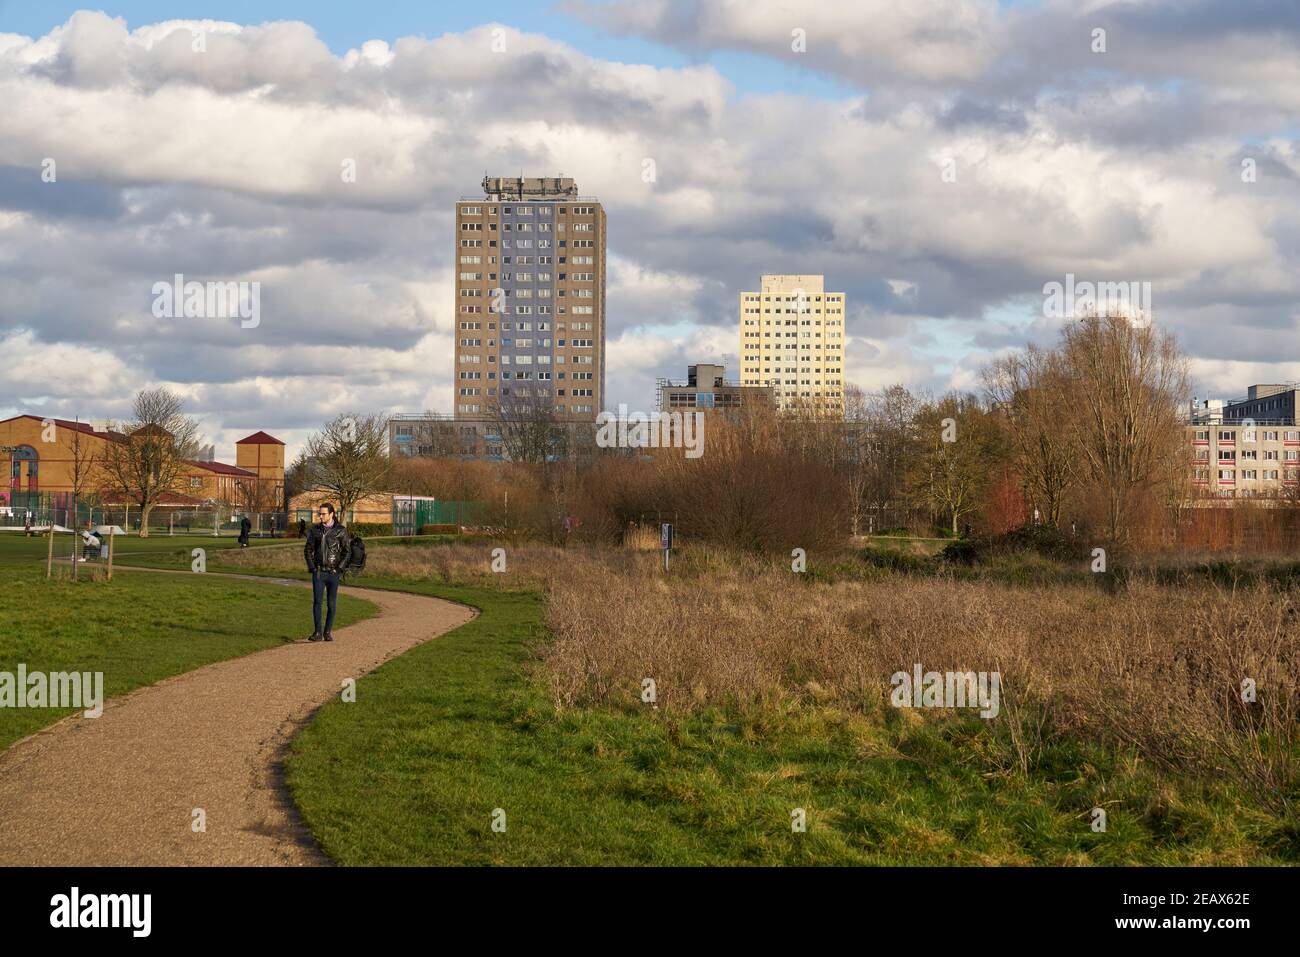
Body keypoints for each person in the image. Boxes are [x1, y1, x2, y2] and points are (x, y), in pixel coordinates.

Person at [303, 503, 350, 642]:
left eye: (323, 514)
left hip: (333, 573)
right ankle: (317, 632)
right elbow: (307, 550)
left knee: (331, 603)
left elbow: (347, 552)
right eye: (320, 513)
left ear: (331, 514)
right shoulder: (314, 530)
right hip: (318, 572)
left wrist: (339, 568)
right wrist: (311, 567)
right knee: (317, 602)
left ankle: (327, 632)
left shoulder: (341, 531)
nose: (321, 516)